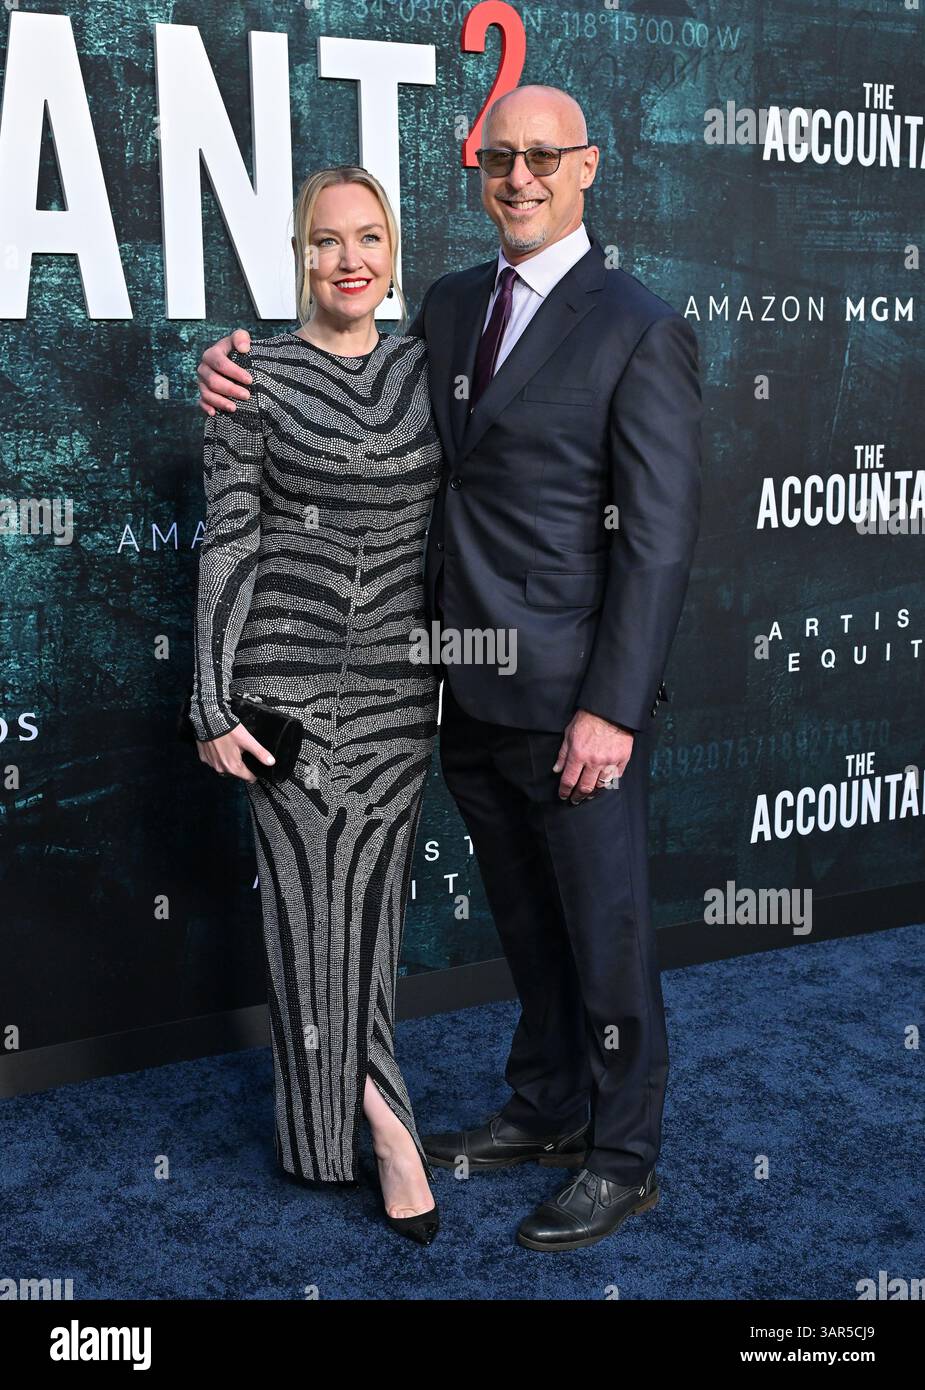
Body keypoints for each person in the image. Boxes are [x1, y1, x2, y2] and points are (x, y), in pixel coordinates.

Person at [197, 84, 702, 1253]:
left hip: (577, 701)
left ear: (587, 166)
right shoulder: (449, 302)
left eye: (542, 157)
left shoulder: (636, 321)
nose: (518, 177)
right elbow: (340, 383)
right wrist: (224, 365)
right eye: (499, 158)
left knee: (606, 933)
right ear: (478, 172)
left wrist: (612, 709)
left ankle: (621, 1157)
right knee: (526, 925)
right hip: (455, 691)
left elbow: (663, 537)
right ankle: (543, 1105)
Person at [189, 165, 443, 1245]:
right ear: (297, 255)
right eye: (326, 241)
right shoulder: (252, 375)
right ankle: (377, 1126)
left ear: (393, 249)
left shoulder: (432, 370)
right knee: (304, 923)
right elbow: (230, 536)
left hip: (400, 689)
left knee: (373, 920)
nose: (350, 259)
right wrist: (208, 699)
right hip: (284, 688)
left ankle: (349, 1116)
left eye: (369, 237)